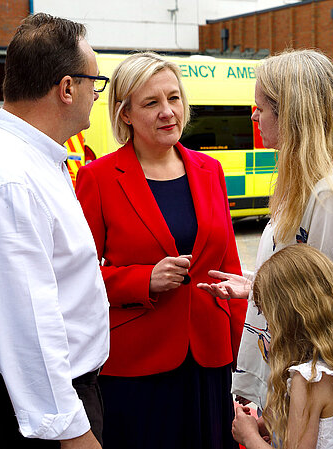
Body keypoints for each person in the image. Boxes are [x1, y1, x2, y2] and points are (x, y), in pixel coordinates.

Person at [0, 13, 109, 449]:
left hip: (31, 399)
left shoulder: (29, 160)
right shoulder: (8, 179)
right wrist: (73, 432)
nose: (95, 95)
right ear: (67, 88)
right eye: (94, 83)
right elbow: (28, 320)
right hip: (26, 412)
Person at [74, 51, 246, 448]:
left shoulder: (210, 171)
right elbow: (76, 280)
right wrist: (143, 279)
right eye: (151, 102)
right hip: (137, 366)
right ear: (126, 114)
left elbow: (230, 270)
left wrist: (245, 360)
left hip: (211, 361)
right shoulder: (97, 178)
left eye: (174, 98)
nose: (168, 111)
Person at [198, 49, 333, 408]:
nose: (254, 116)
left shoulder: (331, 196)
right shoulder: (306, 185)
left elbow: (323, 314)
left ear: (292, 114)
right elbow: (307, 284)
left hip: (309, 397)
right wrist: (256, 285)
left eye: (261, 107)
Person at [231, 244, 333, 449]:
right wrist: (272, 424)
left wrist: (249, 436)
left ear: (287, 318)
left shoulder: (310, 378)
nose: (268, 325)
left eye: (267, 314)